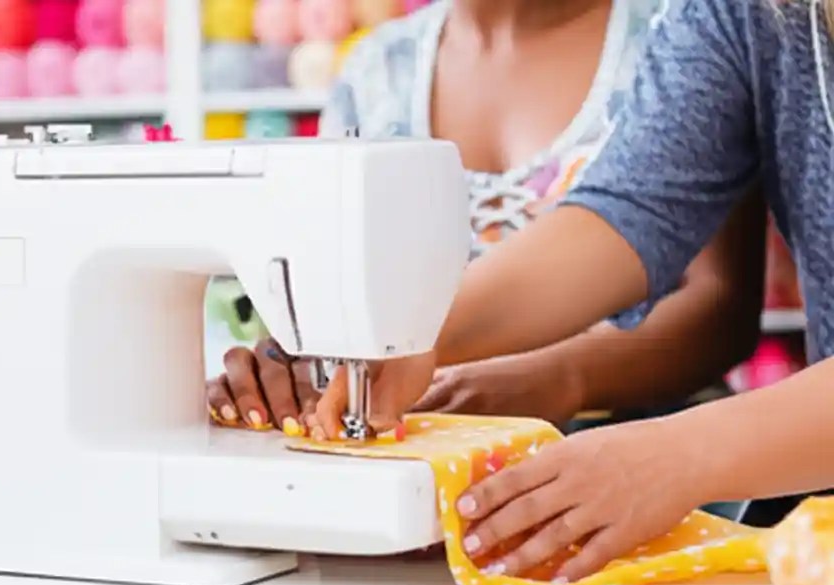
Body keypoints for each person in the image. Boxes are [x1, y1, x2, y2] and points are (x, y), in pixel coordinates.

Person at [303, 0, 834, 581]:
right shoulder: (742, 12)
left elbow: (709, 301)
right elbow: (635, 211)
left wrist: (672, 457)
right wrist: (419, 331)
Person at [206, 0, 764, 436]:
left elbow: (717, 301)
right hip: (426, 443)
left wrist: (560, 379)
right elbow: (326, 285)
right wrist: (292, 364)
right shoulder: (377, 71)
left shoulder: (681, 38)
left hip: (654, 445)